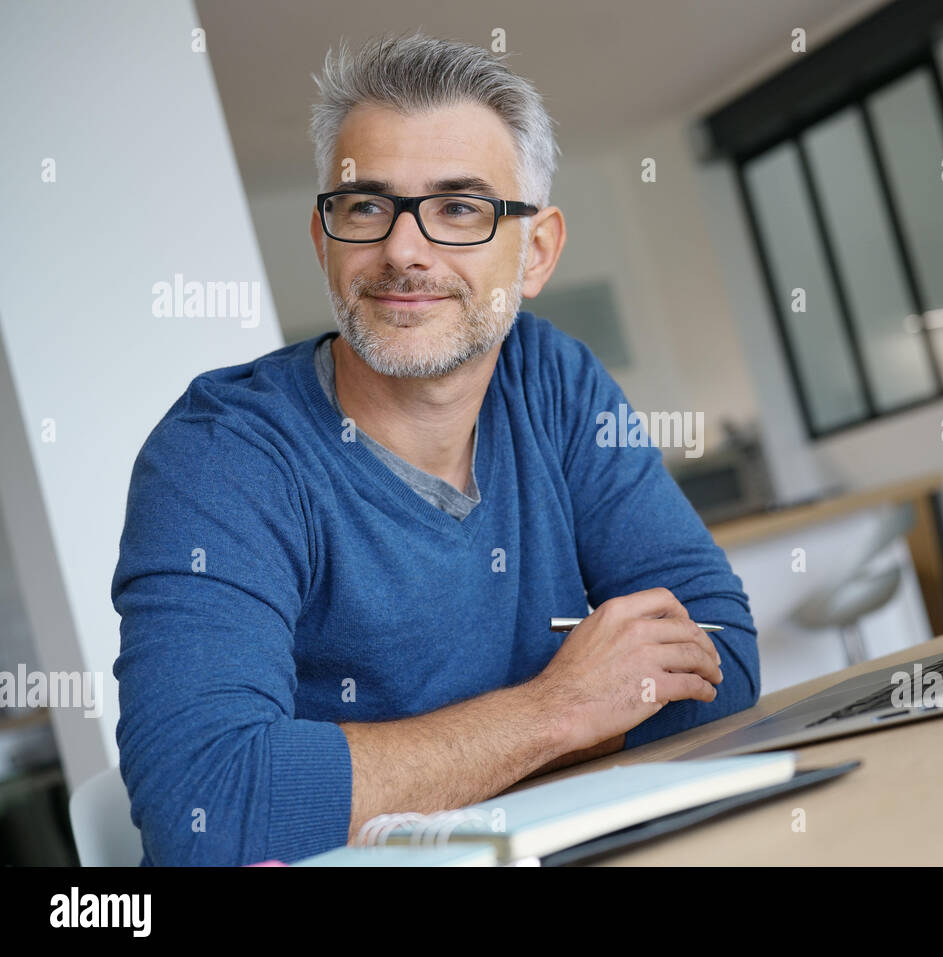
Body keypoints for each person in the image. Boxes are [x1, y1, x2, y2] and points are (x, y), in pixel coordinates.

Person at [111, 33, 758, 866]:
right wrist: (556, 709)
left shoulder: (553, 380)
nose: (403, 251)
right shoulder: (220, 456)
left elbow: (720, 653)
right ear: (324, 239)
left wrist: (397, 773)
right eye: (367, 206)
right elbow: (209, 806)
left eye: (460, 208)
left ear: (537, 252)